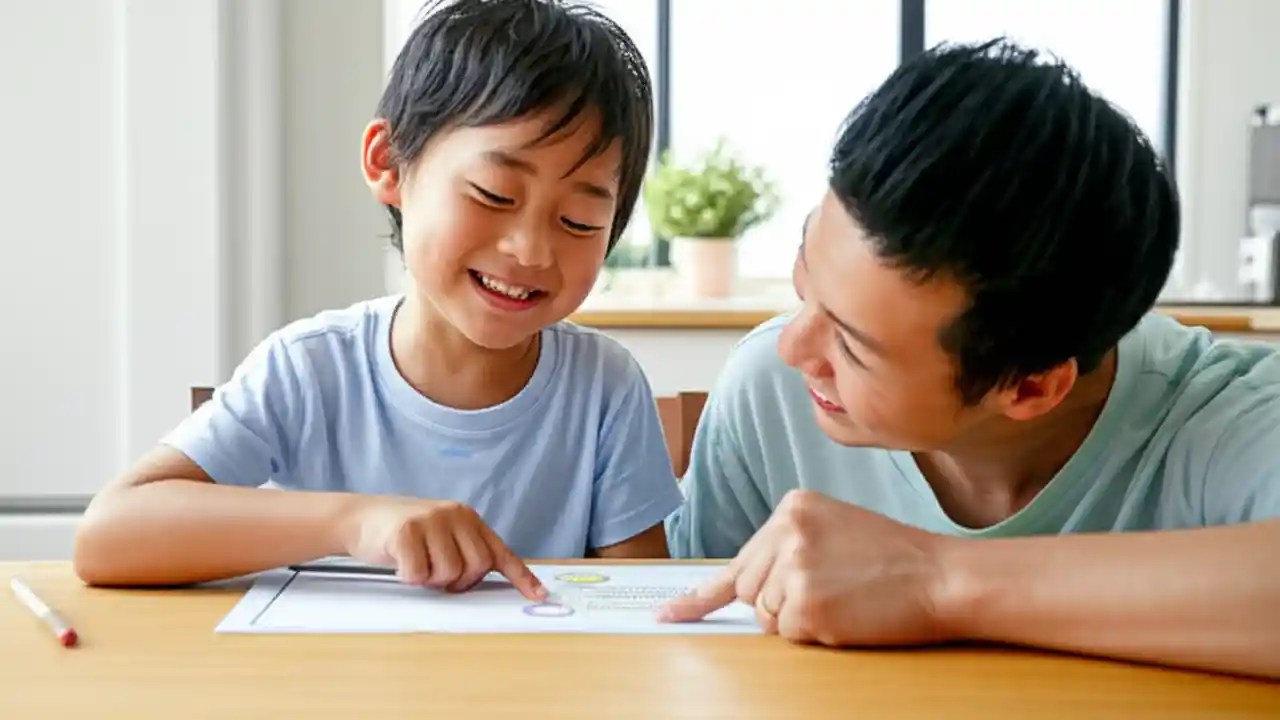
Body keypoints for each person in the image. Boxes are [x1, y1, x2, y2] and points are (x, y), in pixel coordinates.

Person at [661, 39, 1280, 680]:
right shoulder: (769, 391)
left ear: (1032, 386)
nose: (795, 349)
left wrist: (935, 583)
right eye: (802, 283)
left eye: (851, 345)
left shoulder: (1225, 419)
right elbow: (680, 645)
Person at [74, 0, 681, 597]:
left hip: (529, 695)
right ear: (389, 163)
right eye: (494, 194)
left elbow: (639, 606)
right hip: (335, 692)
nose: (530, 251)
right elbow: (108, 536)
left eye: (577, 221)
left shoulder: (603, 387)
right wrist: (355, 522)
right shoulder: (309, 369)